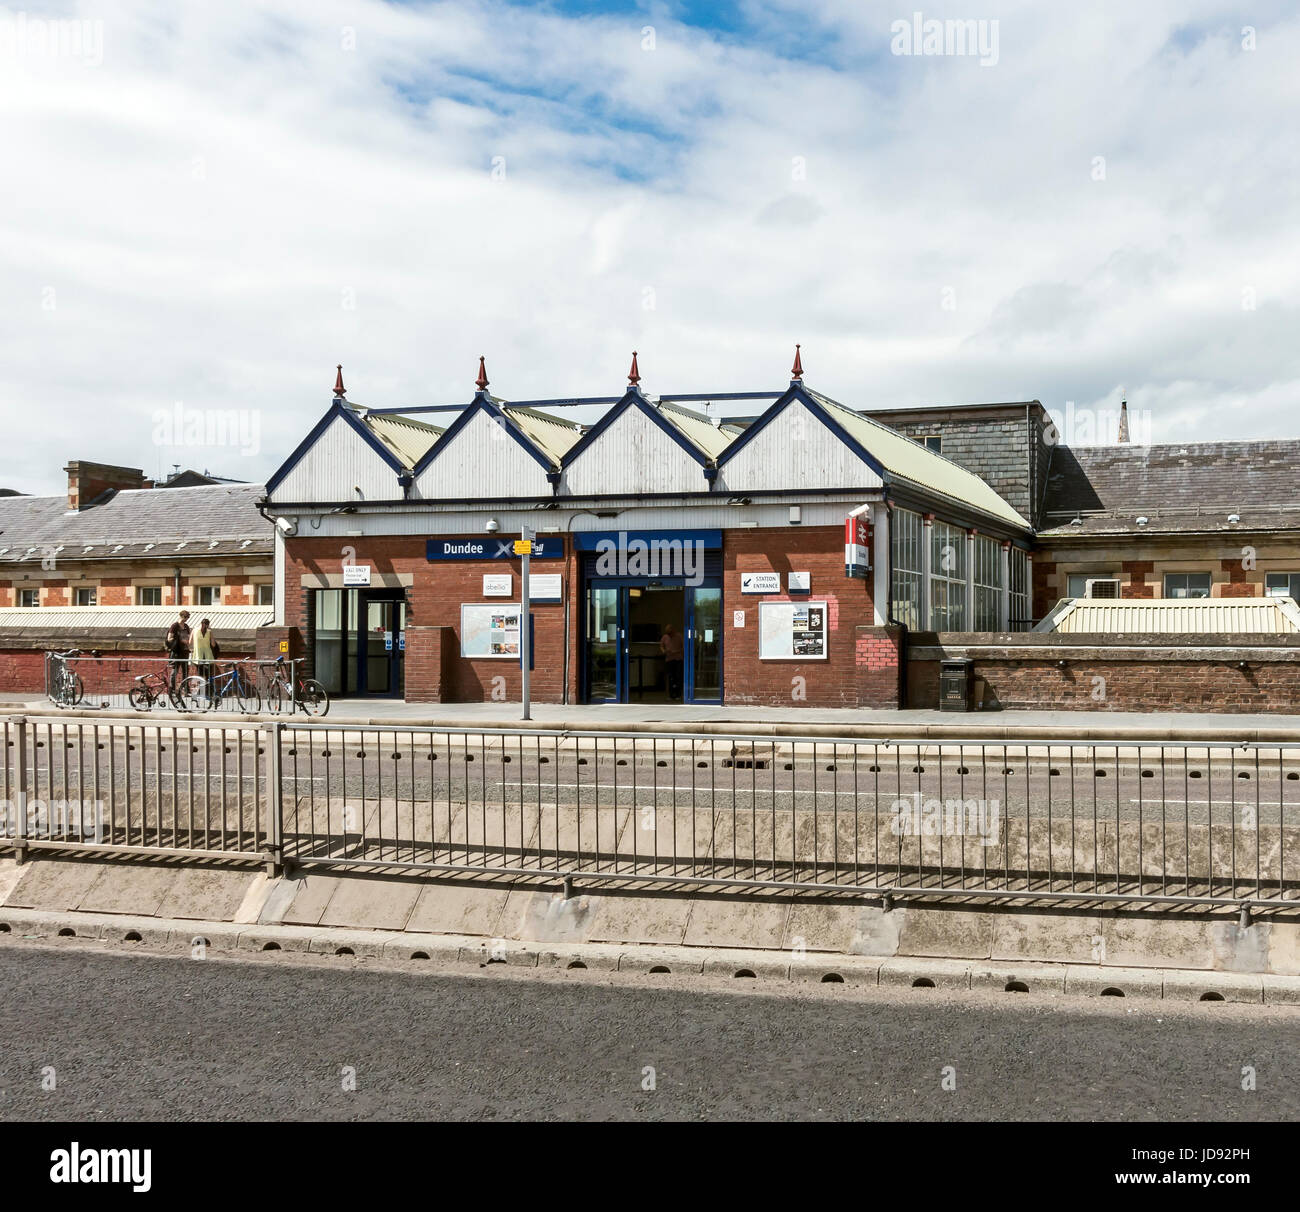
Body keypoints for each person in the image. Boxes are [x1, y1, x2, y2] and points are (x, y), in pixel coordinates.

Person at [164, 609, 192, 694]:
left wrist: (188, 643)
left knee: (185, 671)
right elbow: (169, 639)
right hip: (177, 651)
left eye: (187, 618)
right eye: (186, 617)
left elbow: (189, 637)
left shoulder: (186, 626)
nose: (186, 619)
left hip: (185, 651)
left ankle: (185, 689)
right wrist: (180, 640)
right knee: (175, 670)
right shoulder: (174, 626)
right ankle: (172, 688)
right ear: (181, 616)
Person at [191, 617, 219, 698]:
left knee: (199, 675)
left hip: (197, 656)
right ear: (208, 625)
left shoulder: (194, 630)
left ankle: (199, 692)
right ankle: (208, 693)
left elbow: (189, 642)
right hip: (207, 657)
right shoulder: (209, 632)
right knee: (208, 676)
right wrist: (211, 633)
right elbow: (213, 644)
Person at [659, 623, 685, 701]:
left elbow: (684, 646)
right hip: (669, 659)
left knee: (678, 677)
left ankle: (678, 694)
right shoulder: (665, 637)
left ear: (673, 630)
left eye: (669, 632)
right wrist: (664, 651)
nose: (668, 634)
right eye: (667, 632)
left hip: (678, 659)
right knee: (670, 677)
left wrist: (678, 651)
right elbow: (661, 646)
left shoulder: (679, 636)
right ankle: (671, 695)